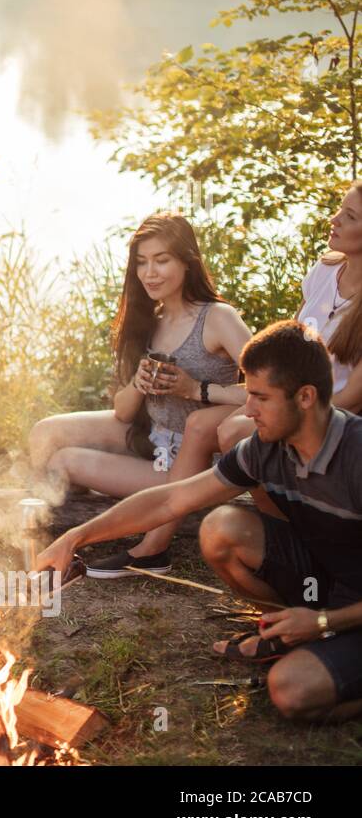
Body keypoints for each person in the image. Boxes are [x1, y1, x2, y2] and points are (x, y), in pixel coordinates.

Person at [35, 321, 362, 722]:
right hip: (329, 579)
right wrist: (76, 536)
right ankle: (288, 630)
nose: (248, 409)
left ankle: (321, 640)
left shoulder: (357, 457)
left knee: (291, 691)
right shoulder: (265, 447)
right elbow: (174, 498)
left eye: (260, 397)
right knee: (221, 528)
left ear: (306, 396)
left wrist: (325, 621)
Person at [28, 213, 252, 578]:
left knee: (65, 462)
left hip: (188, 462)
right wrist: (138, 383)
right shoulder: (150, 319)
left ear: (187, 261)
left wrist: (196, 388)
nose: (150, 272)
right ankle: (97, 500)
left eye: (162, 260)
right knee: (44, 434)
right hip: (150, 435)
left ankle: (121, 514)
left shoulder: (217, 318)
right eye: (142, 262)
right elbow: (123, 411)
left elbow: (271, 388)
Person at [215, 184, 362, 459]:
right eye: (341, 208)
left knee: (232, 434)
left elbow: (352, 398)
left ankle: (283, 501)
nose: (335, 219)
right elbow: (290, 348)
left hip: (330, 419)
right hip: (289, 396)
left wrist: (288, 415)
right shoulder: (326, 269)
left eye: (351, 216)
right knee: (209, 426)